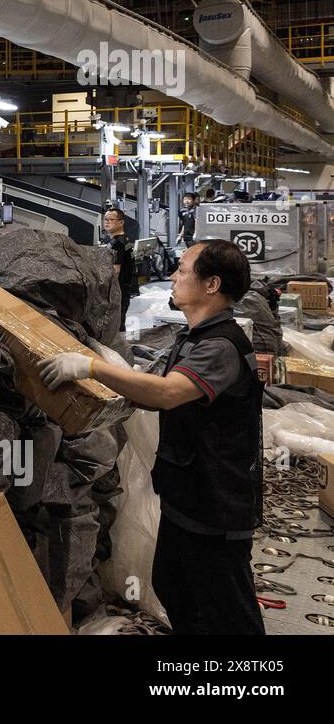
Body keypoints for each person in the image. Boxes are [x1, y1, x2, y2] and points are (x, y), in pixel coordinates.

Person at [39, 239, 264, 636]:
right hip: (187, 496)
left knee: (229, 613)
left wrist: (90, 367)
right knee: (175, 587)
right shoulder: (196, 336)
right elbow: (159, 393)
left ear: (211, 284)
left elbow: (166, 393)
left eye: (182, 269)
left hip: (217, 504)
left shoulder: (220, 346)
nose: (174, 277)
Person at [103, 206, 139, 321]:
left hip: (118, 290)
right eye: (105, 219)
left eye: (111, 219)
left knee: (115, 322)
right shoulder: (126, 239)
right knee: (120, 320)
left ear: (121, 222)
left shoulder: (117, 244)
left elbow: (115, 271)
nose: (107, 222)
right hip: (125, 288)